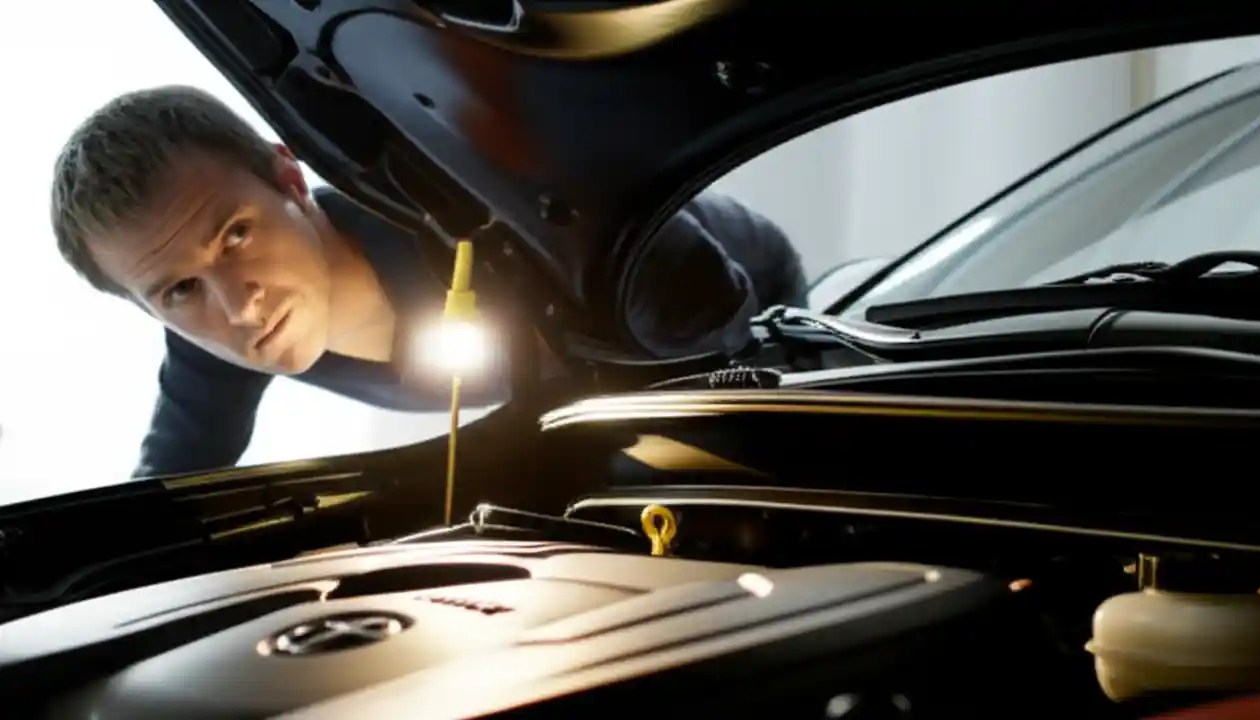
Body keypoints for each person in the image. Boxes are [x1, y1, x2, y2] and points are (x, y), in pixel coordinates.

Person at [49, 86, 808, 479]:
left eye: (237, 234)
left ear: (289, 177)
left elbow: (695, 298)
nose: (237, 304)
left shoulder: (462, 206)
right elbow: (163, 493)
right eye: (176, 290)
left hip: (735, 287)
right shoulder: (210, 342)